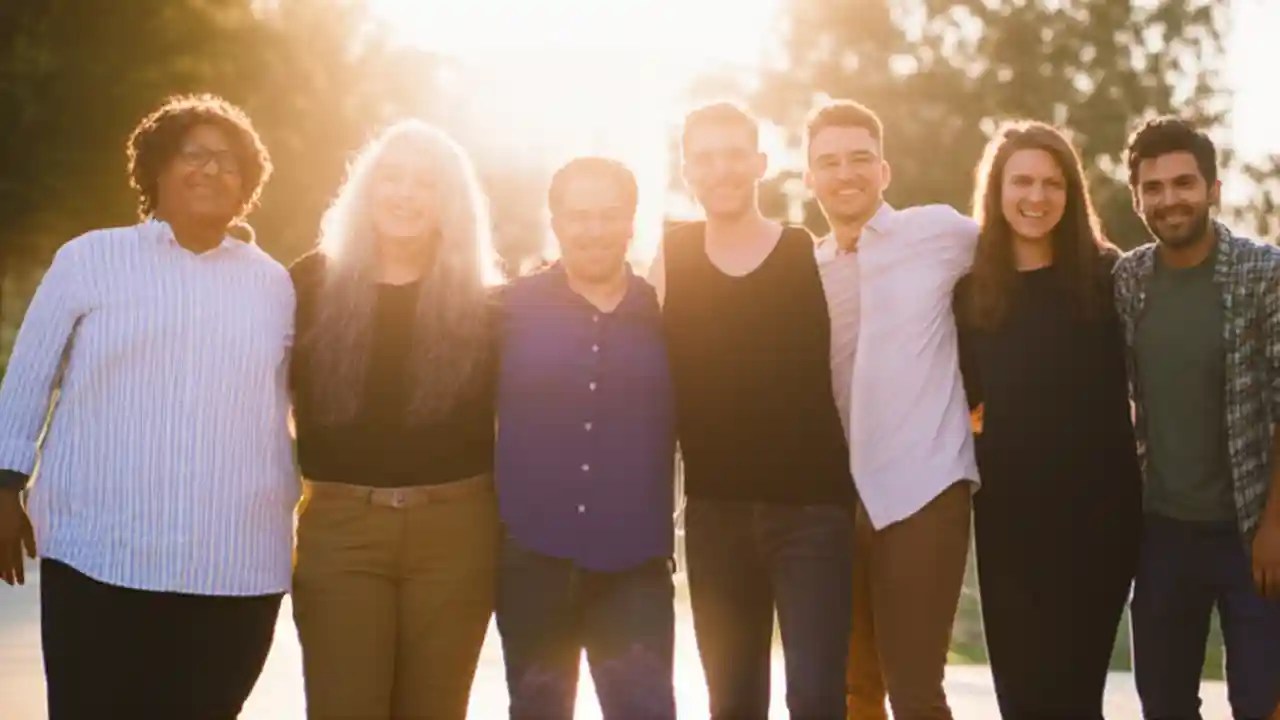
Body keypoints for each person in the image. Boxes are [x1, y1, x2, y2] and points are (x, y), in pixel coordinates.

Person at [0, 94, 292, 719]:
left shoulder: (274, 285)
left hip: (233, 566)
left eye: (229, 162)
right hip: (96, 554)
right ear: (156, 166)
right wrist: (4, 487)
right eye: (194, 154)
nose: (212, 169)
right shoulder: (89, 260)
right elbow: (27, 378)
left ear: (247, 185)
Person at [288, 119, 500, 720]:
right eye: (392, 178)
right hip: (341, 530)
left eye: (425, 183)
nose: (405, 194)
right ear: (367, 189)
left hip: (456, 534)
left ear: (449, 203)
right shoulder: (310, 283)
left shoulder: (486, 304)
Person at [649, 101, 854, 719]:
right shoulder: (672, 257)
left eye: (734, 155)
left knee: (815, 697)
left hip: (813, 516)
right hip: (716, 519)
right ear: (689, 172)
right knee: (733, 703)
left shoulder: (805, 254)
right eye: (705, 159)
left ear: (760, 164)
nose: (721, 170)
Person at [952, 121, 1142, 719]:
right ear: (997, 191)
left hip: (1100, 522)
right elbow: (963, 399)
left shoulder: (1110, 278)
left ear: (1071, 193)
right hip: (1008, 523)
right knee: (1021, 699)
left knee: (1074, 698)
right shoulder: (971, 293)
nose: (1036, 197)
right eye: (1022, 182)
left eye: (1052, 183)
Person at [804, 99, 977, 720]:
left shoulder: (938, 234)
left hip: (923, 489)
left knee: (916, 690)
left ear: (884, 171)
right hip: (833, 501)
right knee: (853, 691)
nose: (845, 173)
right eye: (829, 162)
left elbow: (1026, 251)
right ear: (809, 178)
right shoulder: (804, 268)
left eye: (860, 158)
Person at [493, 157, 677, 719]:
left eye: (609, 215)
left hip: (634, 566)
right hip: (533, 560)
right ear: (556, 222)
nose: (594, 229)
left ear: (631, 223)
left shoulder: (666, 313)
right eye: (579, 216)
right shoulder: (508, 310)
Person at [1116, 117, 1280, 720]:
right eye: (1153, 188)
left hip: (1252, 531)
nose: (1170, 200)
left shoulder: (1264, 274)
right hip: (1163, 533)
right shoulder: (1129, 281)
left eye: (1184, 183)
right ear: (1137, 198)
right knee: (1163, 703)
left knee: (1259, 701)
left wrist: (1274, 526)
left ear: (1213, 189)